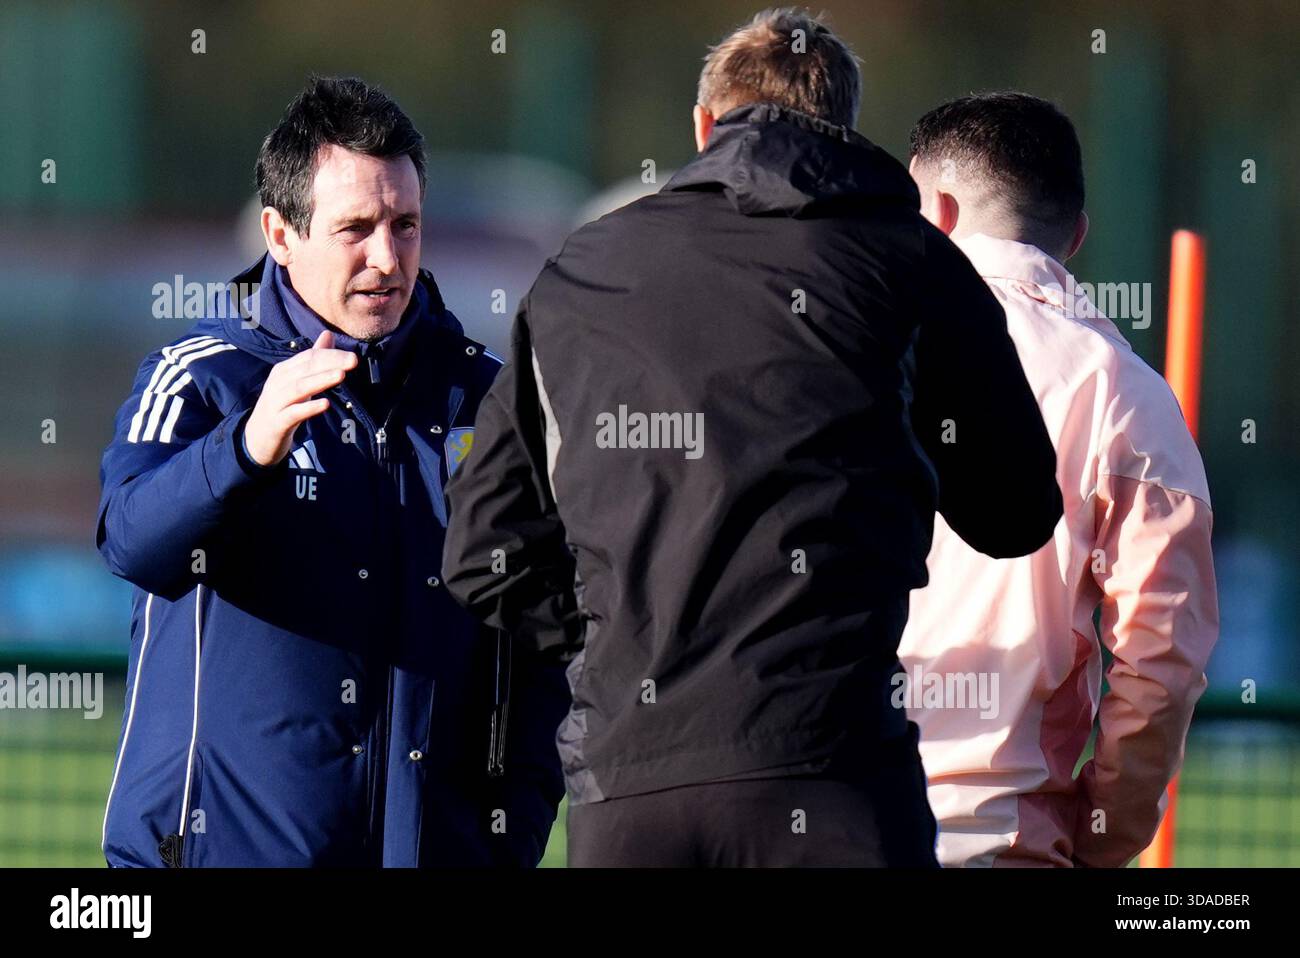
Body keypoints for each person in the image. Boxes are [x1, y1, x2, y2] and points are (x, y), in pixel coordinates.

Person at [441, 10, 1062, 867]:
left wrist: (612, 638)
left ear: (704, 127)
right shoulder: (914, 261)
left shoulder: (579, 271)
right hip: (836, 771)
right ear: (842, 127)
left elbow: (482, 552)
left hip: (632, 787)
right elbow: (1018, 512)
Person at [96, 75, 569, 867]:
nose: (387, 258)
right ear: (280, 234)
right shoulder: (202, 380)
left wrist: (505, 840)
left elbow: (544, 644)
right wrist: (243, 450)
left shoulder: (489, 401)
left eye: (406, 225)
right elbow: (130, 540)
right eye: (356, 227)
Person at [899, 92, 1219, 867]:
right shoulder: (1126, 391)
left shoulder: (838, 347)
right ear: (1076, 235)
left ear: (933, 210)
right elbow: (1161, 663)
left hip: (814, 815)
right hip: (1001, 833)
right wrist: (1105, 836)